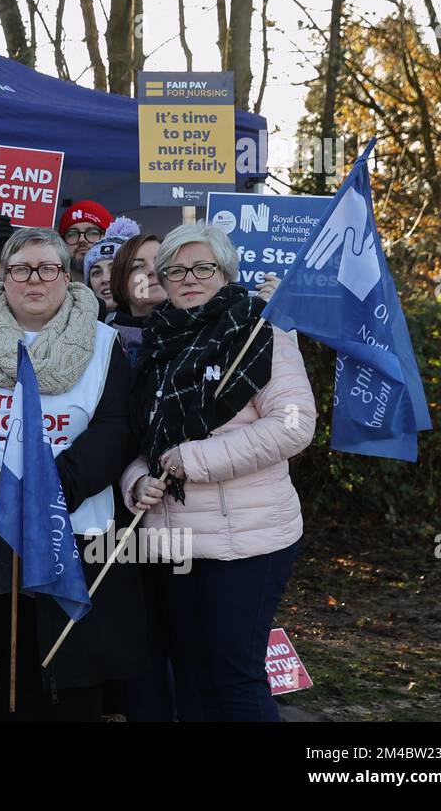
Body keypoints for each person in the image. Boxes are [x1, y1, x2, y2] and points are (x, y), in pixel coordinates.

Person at [0, 226, 145, 721]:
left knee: (65, 676)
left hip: (73, 526)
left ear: (67, 279)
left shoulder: (105, 344)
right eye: (21, 269)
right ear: (4, 279)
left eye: (48, 268)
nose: (34, 280)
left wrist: (51, 489)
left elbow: (115, 428)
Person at [123, 223, 315, 722]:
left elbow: (293, 427)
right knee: (190, 672)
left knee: (234, 673)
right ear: (161, 280)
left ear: (225, 272)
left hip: (248, 540)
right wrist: (136, 481)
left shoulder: (262, 334)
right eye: (176, 270)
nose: (190, 278)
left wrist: (195, 460)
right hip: (175, 539)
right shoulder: (158, 345)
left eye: (202, 267)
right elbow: (145, 441)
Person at [106, 233, 165, 370]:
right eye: (138, 266)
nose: (152, 270)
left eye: (161, 261)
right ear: (121, 283)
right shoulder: (104, 341)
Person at [82, 216, 141, 314]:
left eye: (114, 269)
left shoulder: (156, 324)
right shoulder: (79, 327)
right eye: (96, 273)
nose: (105, 279)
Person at [58, 200, 112, 276]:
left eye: (92, 233)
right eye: (72, 234)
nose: (82, 240)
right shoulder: (50, 287)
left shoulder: (129, 286)